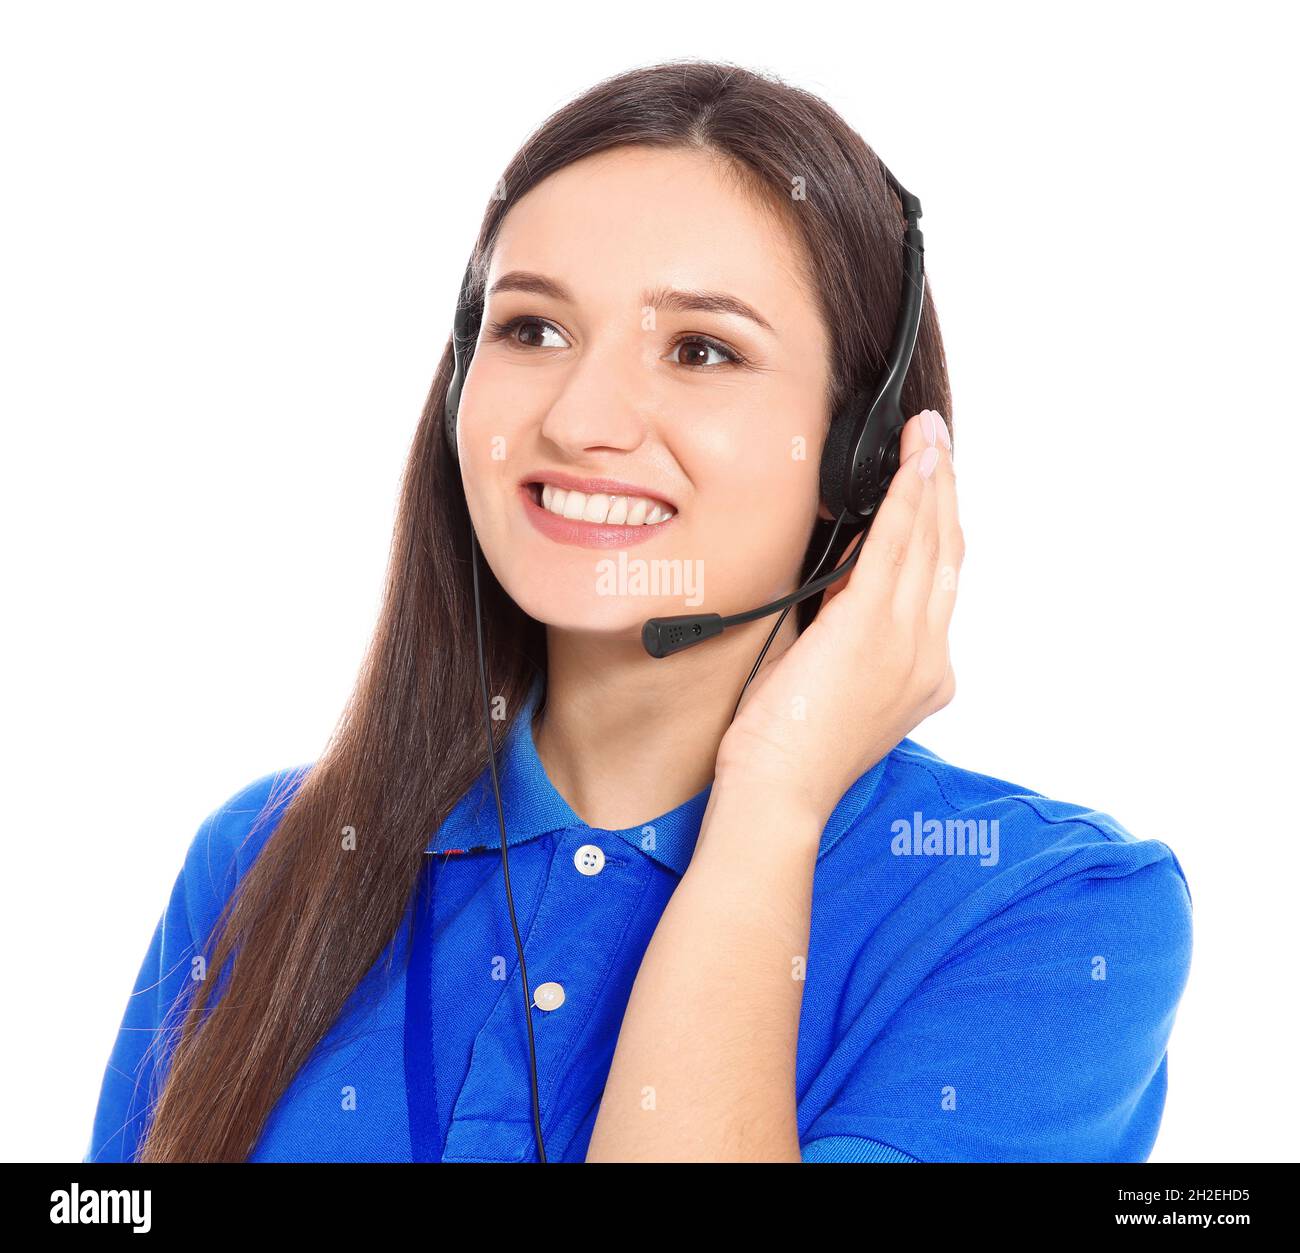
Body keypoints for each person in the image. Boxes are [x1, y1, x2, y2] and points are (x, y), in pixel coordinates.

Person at [86, 59, 1192, 1164]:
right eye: (532, 330)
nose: (581, 417)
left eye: (701, 349)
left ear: (858, 456)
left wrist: (772, 806)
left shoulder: (1047, 911)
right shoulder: (264, 856)